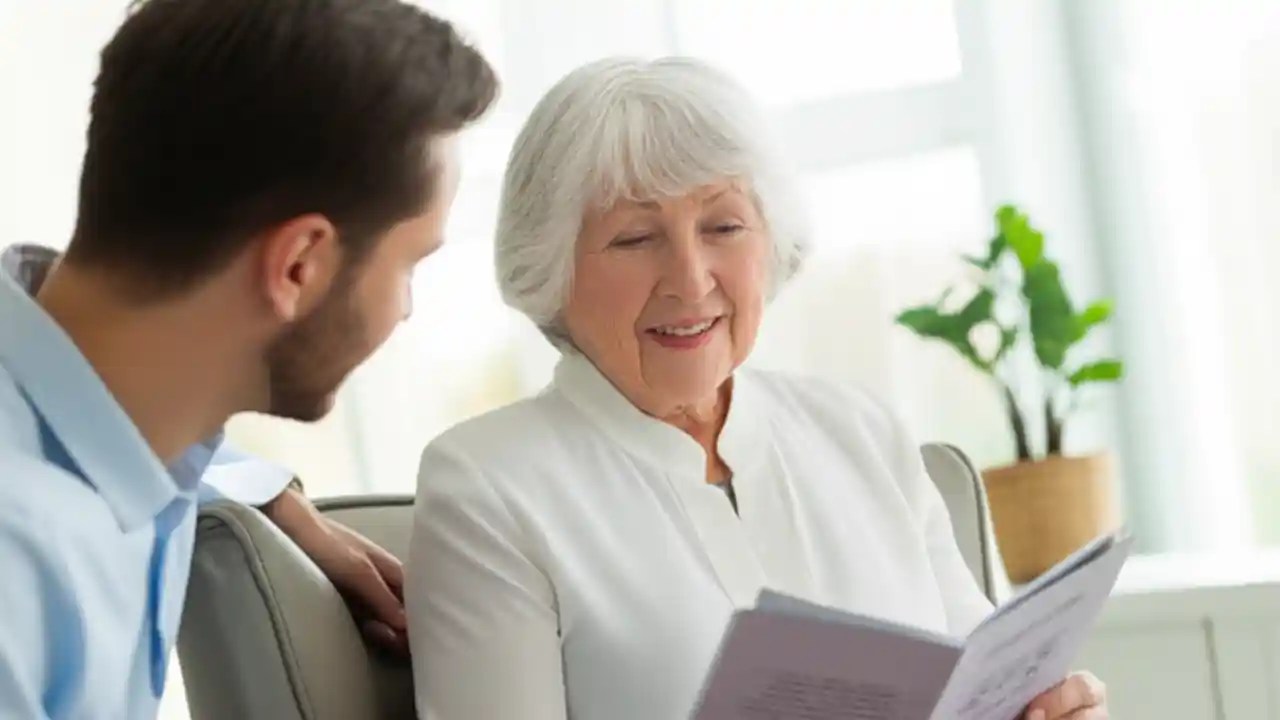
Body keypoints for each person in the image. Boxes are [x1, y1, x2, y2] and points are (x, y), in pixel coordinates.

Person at [405, 57, 1106, 720]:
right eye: (634, 237)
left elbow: (984, 688)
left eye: (724, 227)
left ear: (771, 240)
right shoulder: (486, 486)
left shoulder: (863, 431)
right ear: (551, 267)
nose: (690, 278)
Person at [0, 0, 497, 717]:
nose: (406, 310)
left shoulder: (130, 429)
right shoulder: (22, 557)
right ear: (299, 265)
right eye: (411, 265)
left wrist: (277, 499)